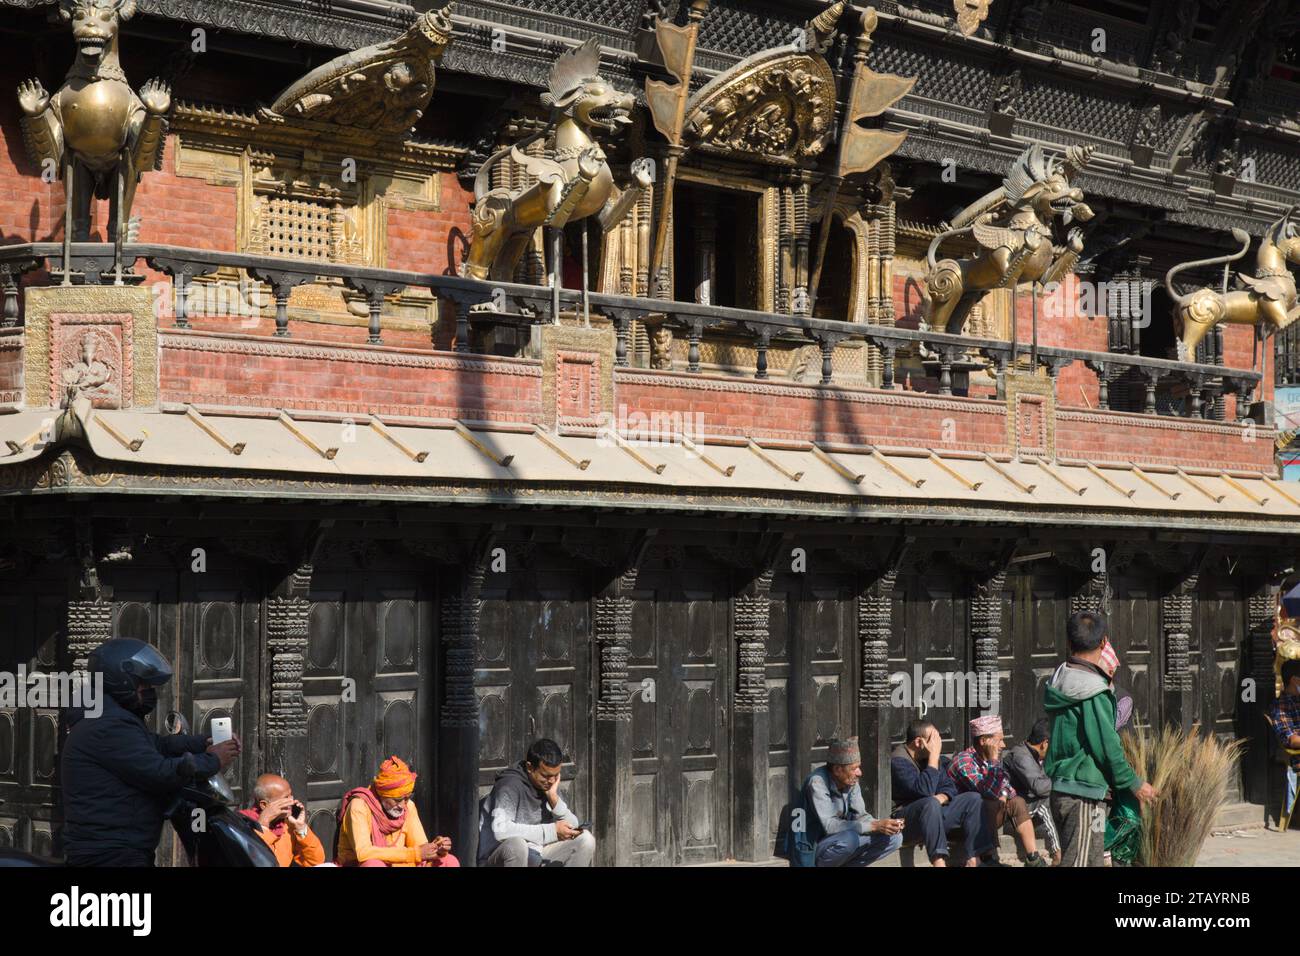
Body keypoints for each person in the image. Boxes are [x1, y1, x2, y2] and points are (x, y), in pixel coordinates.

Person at [61, 638, 240, 867]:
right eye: (143, 685)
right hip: (110, 854)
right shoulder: (107, 725)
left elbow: (154, 745)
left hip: (119, 846)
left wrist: (202, 742)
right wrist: (212, 759)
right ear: (120, 681)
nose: (149, 692)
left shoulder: (108, 717)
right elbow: (159, 772)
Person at [1044, 610, 1157, 867]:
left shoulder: (1060, 678)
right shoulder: (1093, 690)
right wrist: (1135, 783)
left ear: (1068, 643)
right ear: (1104, 642)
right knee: (1079, 863)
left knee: (1093, 860)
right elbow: (1107, 747)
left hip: (1066, 790)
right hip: (1082, 794)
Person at [948, 714, 1049, 867]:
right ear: (983, 741)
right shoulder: (963, 761)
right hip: (963, 825)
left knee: (1017, 801)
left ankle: (1033, 858)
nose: (1003, 745)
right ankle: (988, 858)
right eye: (999, 740)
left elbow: (1008, 788)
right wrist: (994, 763)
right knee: (988, 802)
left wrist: (1003, 794)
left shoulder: (993, 760)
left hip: (988, 818)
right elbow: (986, 791)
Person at [890, 719, 992, 867]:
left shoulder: (929, 757)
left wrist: (941, 797)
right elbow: (923, 791)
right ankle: (939, 863)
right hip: (906, 821)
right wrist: (933, 757)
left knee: (973, 798)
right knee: (930, 803)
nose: (938, 745)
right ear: (919, 742)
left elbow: (949, 787)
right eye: (934, 740)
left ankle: (974, 859)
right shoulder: (898, 760)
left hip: (933, 814)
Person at [478, 738, 595, 867]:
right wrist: (551, 831)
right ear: (529, 767)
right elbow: (502, 831)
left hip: (536, 854)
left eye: (555, 775)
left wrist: (553, 798)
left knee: (586, 840)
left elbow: (572, 825)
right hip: (501, 857)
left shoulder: (547, 786)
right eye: (546, 775)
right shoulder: (509, 785)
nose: (551, 781)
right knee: (517, 845)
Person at [335, 756, 458, 867]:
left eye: (407, 798)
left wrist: (436, 848)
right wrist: (415, 853)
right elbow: (364, 853)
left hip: (401, 864)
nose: (403, 805)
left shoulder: (408, 806)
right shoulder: (359, 806)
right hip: (361, 864)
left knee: (449, 861)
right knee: (373, 864)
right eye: (397, 800)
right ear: (382, 794)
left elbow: (420, 846)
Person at [803, 737, 903, 867]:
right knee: (850, 839)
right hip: (818, 845)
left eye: (859, 767)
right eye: (854, 768)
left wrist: (886, 826)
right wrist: (875, 826)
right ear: (838, 770)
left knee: (895, 838)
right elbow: (830, 826)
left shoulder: (850, 781)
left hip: (843, 841)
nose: (859, 773)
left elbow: (861, 816)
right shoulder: (817, 782)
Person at [1002, 718, 1061, 865]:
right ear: (1044, 743)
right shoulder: (1021, 756)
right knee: (1044, 801)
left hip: (1027, 812)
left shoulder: (1032, 755)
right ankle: (1057, 852)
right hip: (1012, 817)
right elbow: (1040, 788)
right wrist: (1062, 781)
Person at [239, 773, 325, 867]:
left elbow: (316, 861)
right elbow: (256, 860)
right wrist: (263, 827)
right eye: (286, 798)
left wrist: (301, 828)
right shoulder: (243, 824)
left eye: (291, 795)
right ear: (264, 805)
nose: (292, 801)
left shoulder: (287, 825)